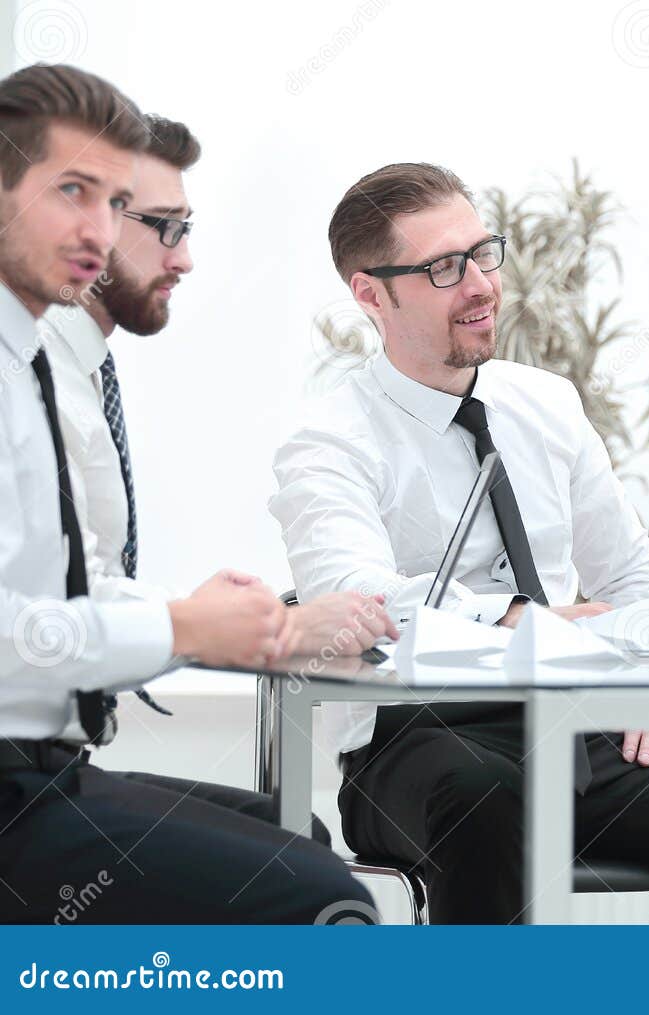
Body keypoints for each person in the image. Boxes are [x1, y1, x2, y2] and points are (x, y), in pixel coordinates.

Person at [270, 161, 649, 923]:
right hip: (420, 744)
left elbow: (635, 575)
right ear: (371, 294)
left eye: (482, 253)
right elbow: (362, 605)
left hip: (584, 734)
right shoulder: (328, 441)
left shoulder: (544, 403)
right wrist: (515, 620)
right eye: (444, 268)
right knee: (491, 800)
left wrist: (643, 676)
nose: (480, 283)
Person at [0, 63, 371, 924]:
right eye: (73, 192)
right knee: (320, 896)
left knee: (300, 844)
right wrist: (185, 626)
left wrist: (201, 618)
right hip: (16, 779)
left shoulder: (32, 372)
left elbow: (59, 591)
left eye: (112, 200)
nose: (95, 228)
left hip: (43, 763)